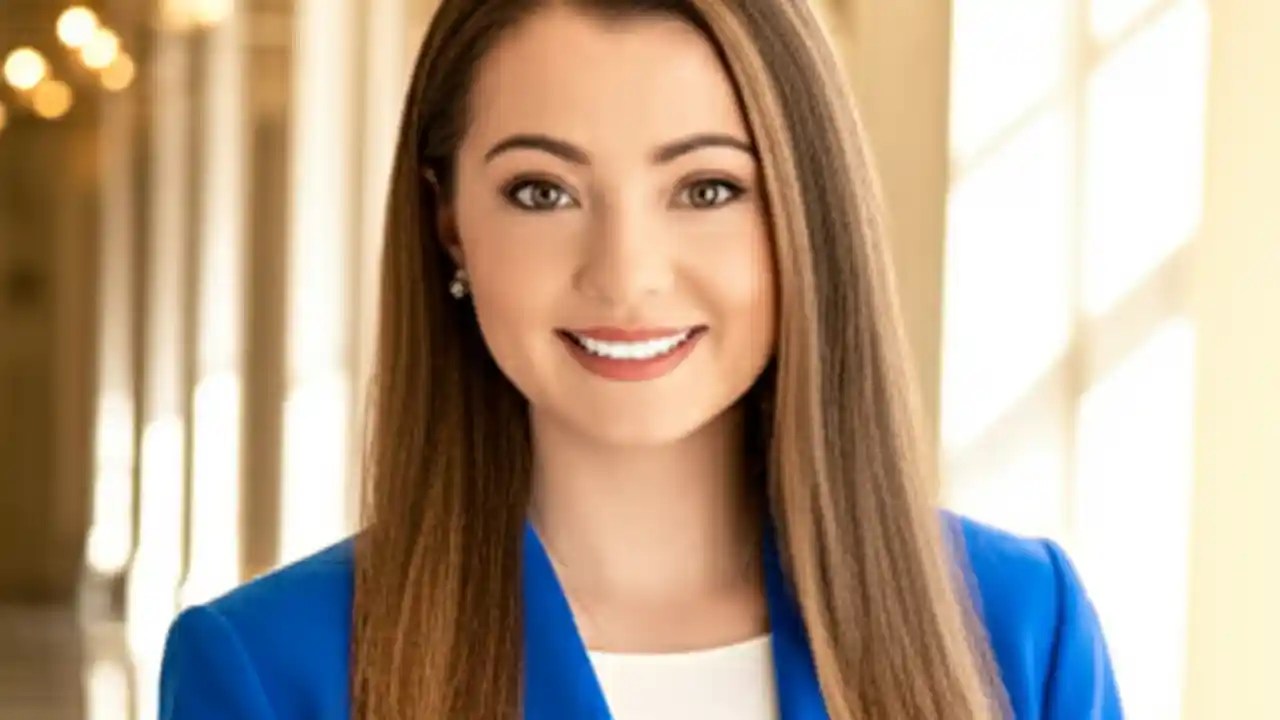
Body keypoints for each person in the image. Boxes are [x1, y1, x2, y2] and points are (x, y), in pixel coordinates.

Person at [158, 1, 1123, 718]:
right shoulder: (268, 670)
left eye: (707, 189)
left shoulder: (1019, 629)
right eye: (543, 192)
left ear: (805, 212)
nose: (625, 277)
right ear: (449, 225)